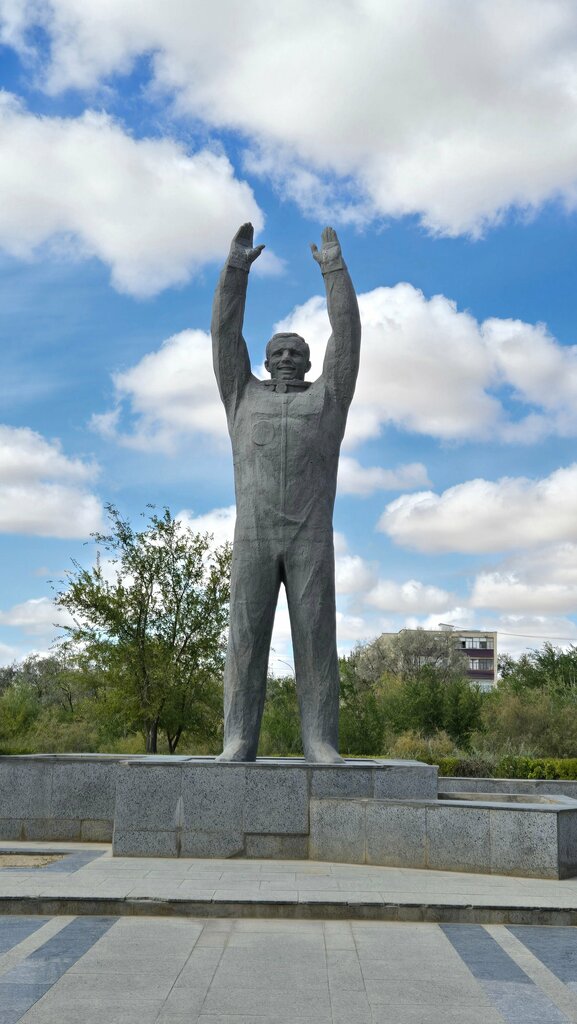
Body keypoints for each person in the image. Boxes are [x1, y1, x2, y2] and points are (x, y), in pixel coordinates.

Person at [211, 223, 361, 762]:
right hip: (252, 536)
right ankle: (238, 740)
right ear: (265, 360)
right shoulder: (241, 397)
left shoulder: (328, 400)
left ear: (310, 363)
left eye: (297, 352)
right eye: (278, 351)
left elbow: (347, 338)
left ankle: (320, 740)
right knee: (245, 641)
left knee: (317, 641)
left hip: (310, 535)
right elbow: (225, 336)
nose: (287, 358)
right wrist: (235, 271)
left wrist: (334, 271)